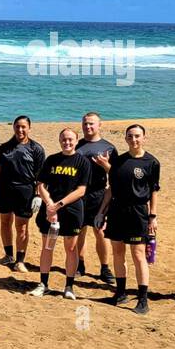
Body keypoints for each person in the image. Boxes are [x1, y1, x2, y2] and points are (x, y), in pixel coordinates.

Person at [99, 124, 160, 315]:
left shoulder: (152, 162)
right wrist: (102, 211)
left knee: (138, 254)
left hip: (138, 212)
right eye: (130, 136)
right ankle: (121, 292)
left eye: (137, 136)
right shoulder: (118, 161)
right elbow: (111, 189)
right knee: (118, 252)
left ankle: (143, 299)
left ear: (144, 138)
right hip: (117, 210)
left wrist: (153, 216)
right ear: (125, 138)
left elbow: (153, 191)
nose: (133, 140)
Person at [29, 128, 89, 299]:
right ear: (60, 140)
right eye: (64, 139)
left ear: (76, 141)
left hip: (71, 210)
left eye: (70, 139)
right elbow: (41, 184)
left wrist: (59, 205)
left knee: (70, 248)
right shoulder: (52, 160)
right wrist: (49, 204)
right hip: (50, 211)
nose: (67, 142)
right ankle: (43, 284)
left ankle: (69, 286)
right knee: (48, 247)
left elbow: (81, 190)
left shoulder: (82, 162)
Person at [0, 115, 45, 273]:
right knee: (5, 222)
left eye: (23, 127)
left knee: (21, 227)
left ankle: (20, 260)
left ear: (29, 128)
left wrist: (38, 195)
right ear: (13, 127)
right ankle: (8, 255)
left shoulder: (36, 149)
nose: (20, 130)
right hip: (4, 190)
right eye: (17, 126)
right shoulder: (5, 147)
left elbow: (41, 176)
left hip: (25, 192)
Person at [75, 112, 117, 285]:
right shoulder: (76, 145)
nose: (88, 127)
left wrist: (106, 165)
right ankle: (80, 264)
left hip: (99, 194)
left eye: (92, 124)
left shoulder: (109, 148)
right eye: (85, 123)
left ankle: (105, 267)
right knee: (80, 231)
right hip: (79, 193)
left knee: (100, 232)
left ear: (100, 125)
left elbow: (117, 175)